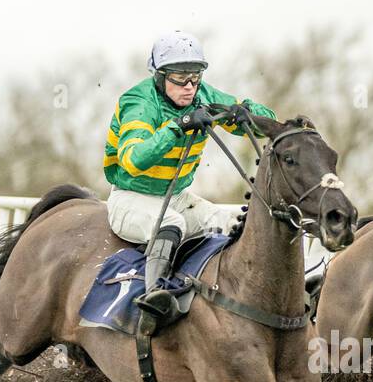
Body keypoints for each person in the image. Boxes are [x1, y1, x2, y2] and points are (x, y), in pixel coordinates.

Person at [104, 30, 275, 332]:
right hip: (131, 199)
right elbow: (133, 160)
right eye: (180, 78)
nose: (190, 86)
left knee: (231, 222)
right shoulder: (139, 103)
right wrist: (179, 125)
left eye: (195, 77)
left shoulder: (203, 95)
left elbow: (266, 124)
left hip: (179, 198)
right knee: (172, 224)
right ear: (159, 77)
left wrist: (246, 112)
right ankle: (153, 298)